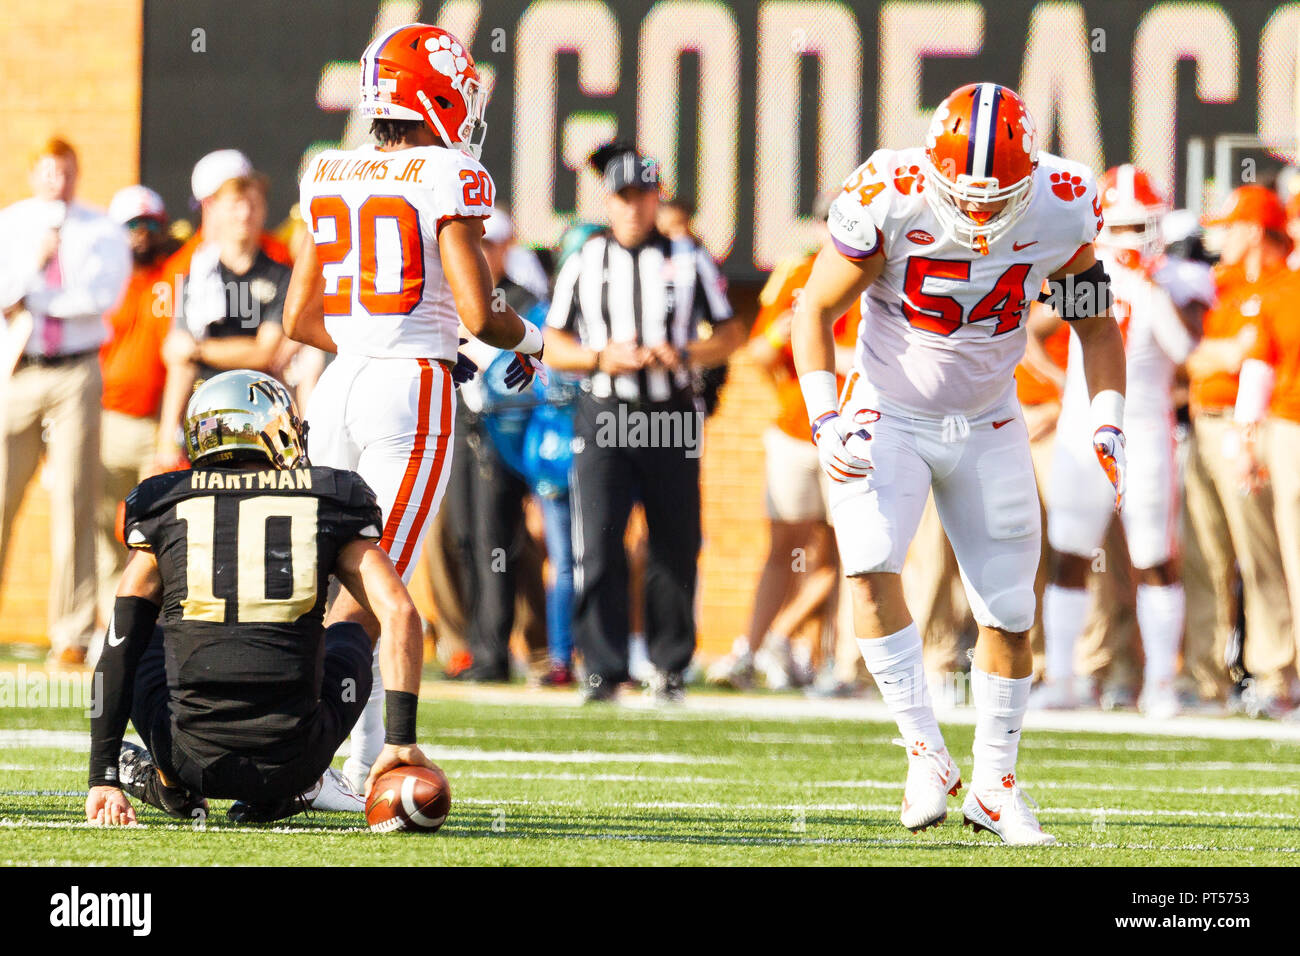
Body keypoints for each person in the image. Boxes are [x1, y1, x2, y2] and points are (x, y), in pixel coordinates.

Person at [792, 83, 1127, 845]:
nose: (978, 214)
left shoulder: (1063, 201)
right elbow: (813, 310)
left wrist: (1108, 422)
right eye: (963, 197)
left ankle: (997, 786)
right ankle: (925, 752)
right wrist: (824, 416)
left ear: (1031, 175)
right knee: (871, 559)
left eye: (997, 197)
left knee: (1009, 609)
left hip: (990, 418)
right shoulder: (891, 189)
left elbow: (1097, 332)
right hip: (889, 405)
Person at [283, 22, 545, 790]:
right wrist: (530, 343)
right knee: (381, 583)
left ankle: (303, 748)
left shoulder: (326, 168)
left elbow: (300, 319)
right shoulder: (448, 172)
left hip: (337, 385)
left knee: (318, 578)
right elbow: (480, 313)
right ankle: (352, 765)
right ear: (430, 94)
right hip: (412, 394)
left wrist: (392, 335)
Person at [84, 370, 437, 826]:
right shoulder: (329, 496)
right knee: (366, 606)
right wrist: (400, 738)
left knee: (133, 630)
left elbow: (117, 647)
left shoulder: (165, 503)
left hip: (187, 756)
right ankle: (284, 792)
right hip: (297, 758)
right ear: (277, 432)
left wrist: (102, 776)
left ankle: (168, 785)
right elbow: (400, 611)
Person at [543, 140, 743, 703]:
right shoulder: (585, 258)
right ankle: (602, 669)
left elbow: (731, 337)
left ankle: (669, 666)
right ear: (608, 203)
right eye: (623, 196)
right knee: (600, 539)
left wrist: (682, 356)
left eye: (643, 195)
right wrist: (601, 358)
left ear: (658, 199)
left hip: (673, 415)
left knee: (674, 543)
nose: (633, 206)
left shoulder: (690, 258)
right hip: (605, 411)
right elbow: (555, 345)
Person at [1032, 166, 1209, 718]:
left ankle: (1159, 684)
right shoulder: (1087, 273)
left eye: (1143, 226)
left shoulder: (1167, 280)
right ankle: (1064, 678)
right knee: (1069, 552)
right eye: (1126, 225)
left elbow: (1185, 352)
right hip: (1084, 428)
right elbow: (1028, 331)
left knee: (1154, 555)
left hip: (1146, 431)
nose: (1135, 237)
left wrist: (1153, 291)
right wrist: (1063, 386)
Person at [0, 136, 131, 664]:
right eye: (51, 172)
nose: (60, 181)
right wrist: (35, 266)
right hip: (20, 369)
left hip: (75, 369)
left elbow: (102, 299)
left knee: (75, 500)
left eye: (69, 171)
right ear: (36, 175)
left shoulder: (100, 229)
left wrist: (39, 298)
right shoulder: (13, 224)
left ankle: (71, 633)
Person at [1185, 186, 1296, 716]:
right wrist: (1217, 356)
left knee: (1259, 554)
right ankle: (1206, 676)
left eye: (1228, 226)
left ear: (1252, 230)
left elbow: (1246, 358)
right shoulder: (1222, 285)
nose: (1219, 237)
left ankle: (1275, 670)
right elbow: (1201, 357)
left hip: (1246, 425)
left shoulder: (1284, 286)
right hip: (1203, 423)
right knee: (1204, 556)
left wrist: (1219, 357)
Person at [154, 171, 294, 465]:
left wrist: (200, 350)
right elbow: (176, 353)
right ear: (216, 211)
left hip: (261, 413)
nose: (244, 214)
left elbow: (264, 353)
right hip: (206, 410)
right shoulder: (199, 274)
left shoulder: (281, 276)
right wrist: (167, 437)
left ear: (264, 211)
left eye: (253, 205)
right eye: (236, 205)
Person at [95, 186, 180, 627]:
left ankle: (150, 624)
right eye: (132, 225)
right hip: (108, 419)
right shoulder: (102, 278)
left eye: (150, 224)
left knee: (152, 531)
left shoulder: (175, 272)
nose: (141, 234)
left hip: (159, 425)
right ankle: (108, 625)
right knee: (101, 532)